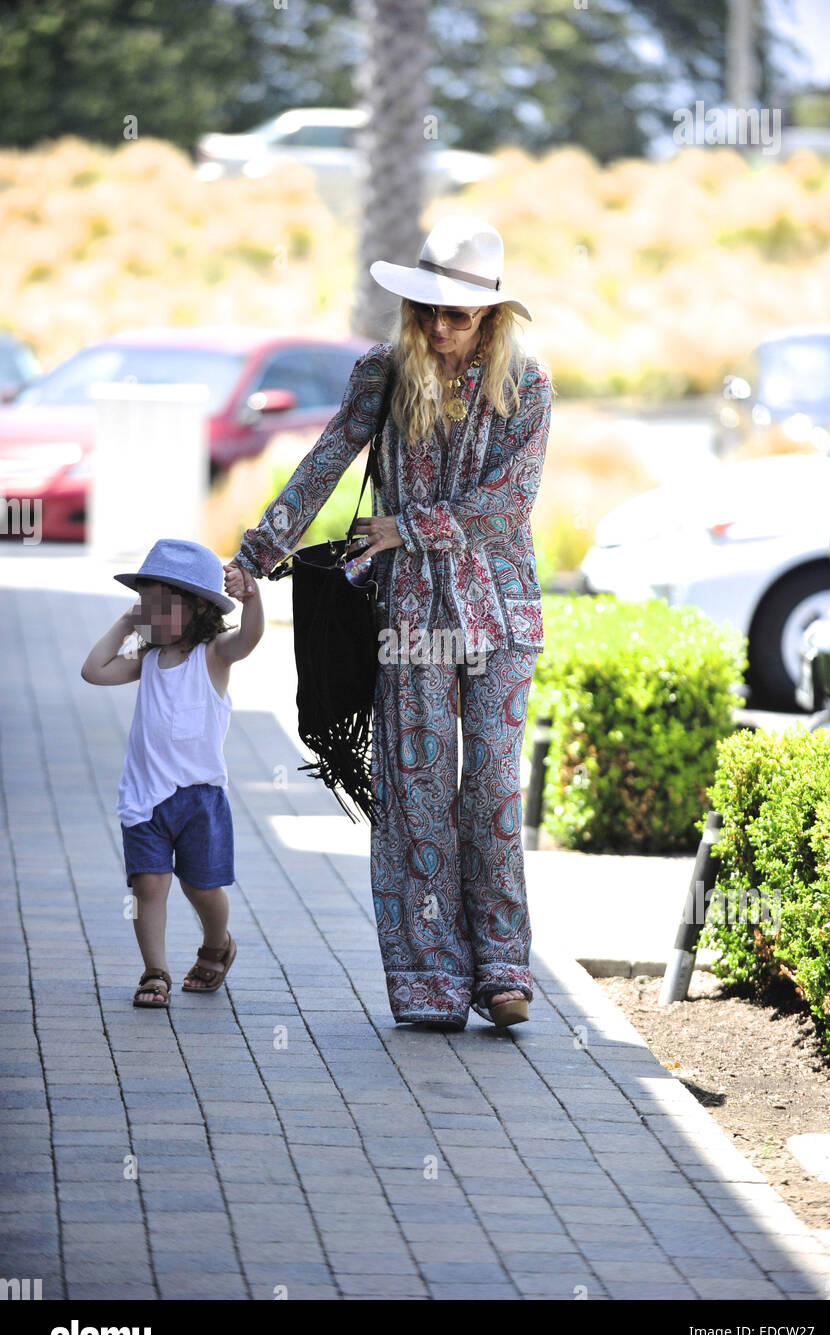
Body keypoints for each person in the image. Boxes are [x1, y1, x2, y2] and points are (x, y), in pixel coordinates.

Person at [225, 214, 553, 1030]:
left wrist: (412, 525)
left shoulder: (529, 384)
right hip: (408, 615)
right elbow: (324, 462)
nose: (439, 328)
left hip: (500, 614)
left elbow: (509, 502)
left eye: (458, 315)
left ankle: (504, 971)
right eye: (427, 311)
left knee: (487, 792)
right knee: (415, 798)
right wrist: (258, 551)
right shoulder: (382, 372)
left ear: (492, 316)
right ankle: (431, 980)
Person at [81, 538, 264, 1007]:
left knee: (202, 887)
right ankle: (155, 972)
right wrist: (126, 619)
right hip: (144, 798)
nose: (150, 616)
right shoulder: (147, 660)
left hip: (200, 799)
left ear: (200, 608)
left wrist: (254, 599)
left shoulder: (213, 655)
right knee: (149, 885)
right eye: (146, 605)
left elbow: (248, 639)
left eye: (162, 607)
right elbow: (94, 671)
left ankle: (216, 944)